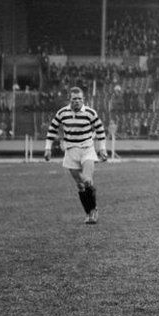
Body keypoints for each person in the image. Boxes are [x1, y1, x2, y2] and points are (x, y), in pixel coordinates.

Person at [44, 87, 108, 224]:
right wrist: (48, 148)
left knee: (87, 180)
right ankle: (89, 212)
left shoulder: (90, 113)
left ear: (83, 99)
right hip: (71, 151)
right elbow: (52, 130)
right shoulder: (62, 113)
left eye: (80, 99)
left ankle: (94, 211)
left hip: (87, 149)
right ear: (70, 99)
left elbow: (100, 130)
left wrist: (102, 149)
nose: (77, 101)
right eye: (74, 99)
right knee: (80, 185)